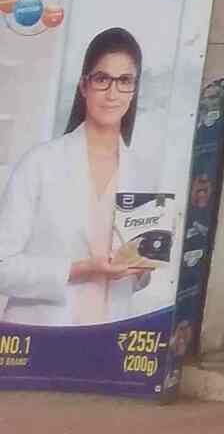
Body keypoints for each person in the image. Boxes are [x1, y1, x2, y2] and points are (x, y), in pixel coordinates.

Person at [0, 27, 159, 326]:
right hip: (41, 335)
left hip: (107, 336)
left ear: (134, 89)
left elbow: (138, 279)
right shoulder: (40, 163)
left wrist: (142, 268)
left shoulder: (143, 174)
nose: (112, 93)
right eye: (102, 79)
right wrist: (78, 270)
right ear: (84, 86)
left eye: (124, 81)